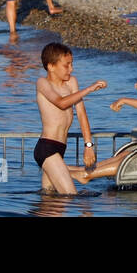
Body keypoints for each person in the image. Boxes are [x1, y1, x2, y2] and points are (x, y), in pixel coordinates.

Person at [34, 42, 105, 194]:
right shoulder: (42, 83)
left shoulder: (71, 82)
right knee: (70, 196)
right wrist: (89, 89)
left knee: (50, 201)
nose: (71, 69)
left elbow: (81, 113)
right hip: (46, 148)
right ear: (51, 66)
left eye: (72, 64)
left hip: (61, 148)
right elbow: (61, 103)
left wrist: (88, 146)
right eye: (66, 65)